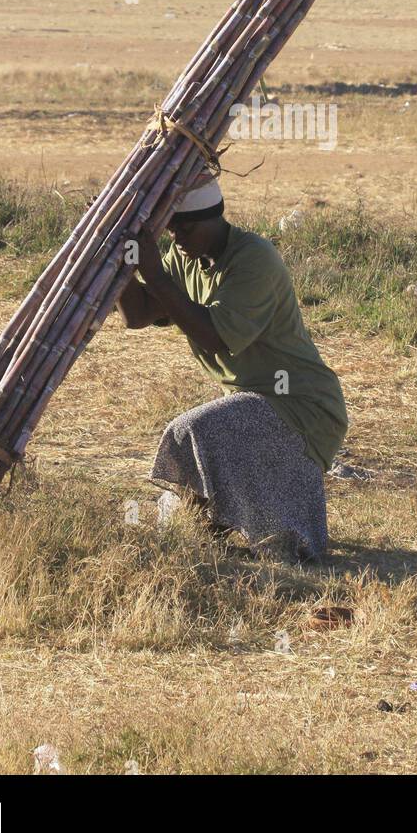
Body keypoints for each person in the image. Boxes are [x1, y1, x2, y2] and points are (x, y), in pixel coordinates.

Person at [117, 176, 347, 560]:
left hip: (300, 408)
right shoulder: (184, 258)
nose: (176, 236)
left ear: (213, 219)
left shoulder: (254, 259)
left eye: (185, 227)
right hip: (250, 404)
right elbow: (137, 314)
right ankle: (220, 528)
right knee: (181, 523)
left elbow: (216, 336)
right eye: (171, 228)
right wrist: (120, 265)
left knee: (191, 429)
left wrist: (154, 274)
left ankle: (285, 536)